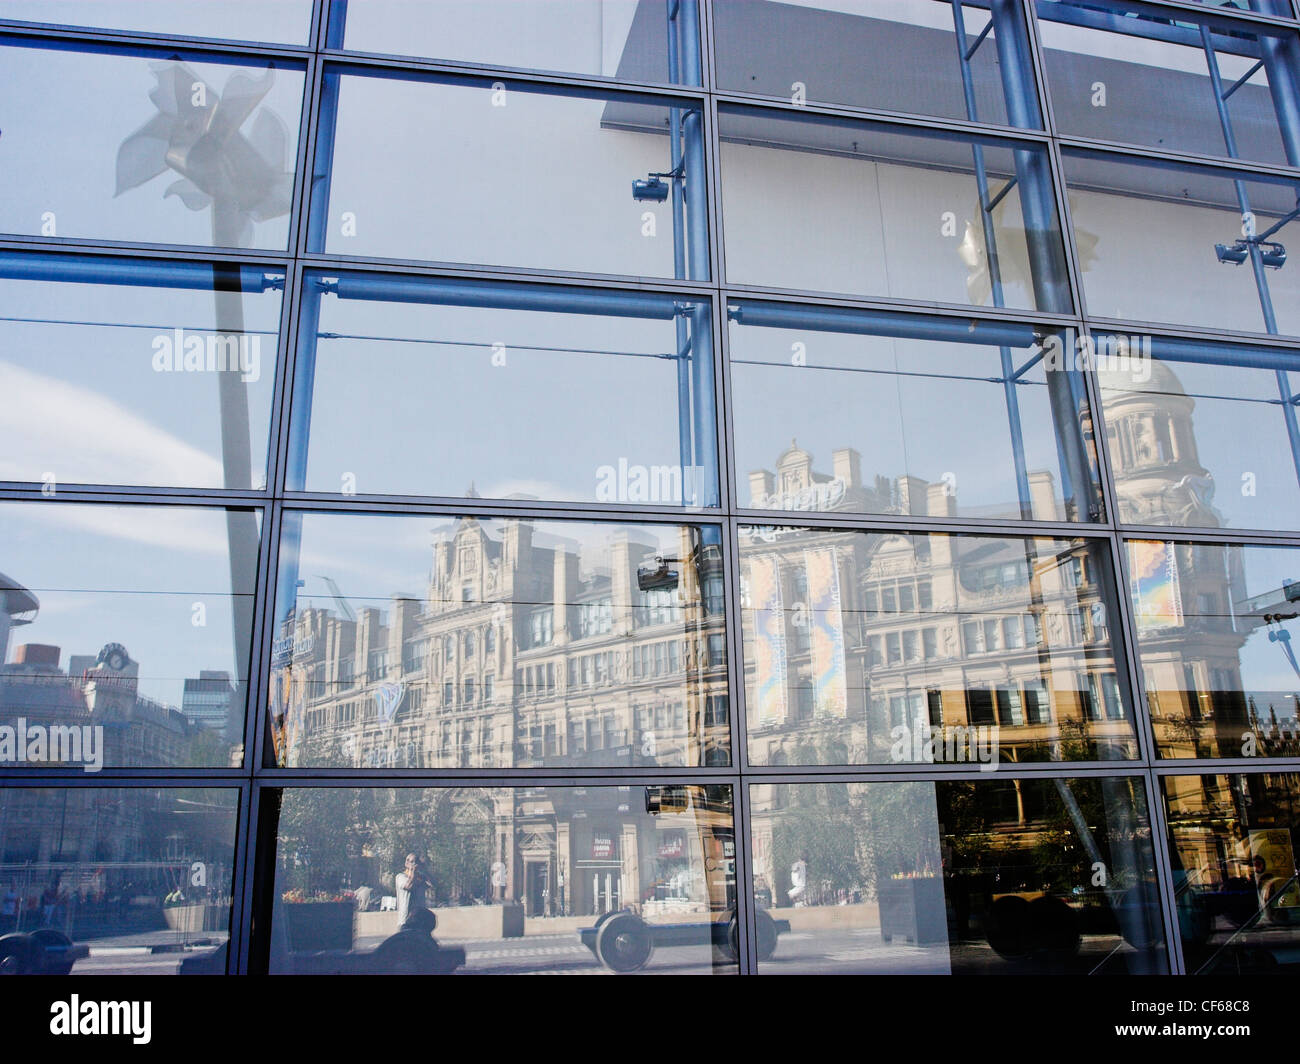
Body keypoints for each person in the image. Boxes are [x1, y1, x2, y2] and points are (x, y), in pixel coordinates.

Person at [395, 854, 430, 926]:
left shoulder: (421, 877)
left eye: (413, 861)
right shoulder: (401, 877)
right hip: (406, 920)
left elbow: (431, 885)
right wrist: (412, 871)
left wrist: (424, 869)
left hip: (420, 920)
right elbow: (409, 886)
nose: (409, 862)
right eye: (408, 860)